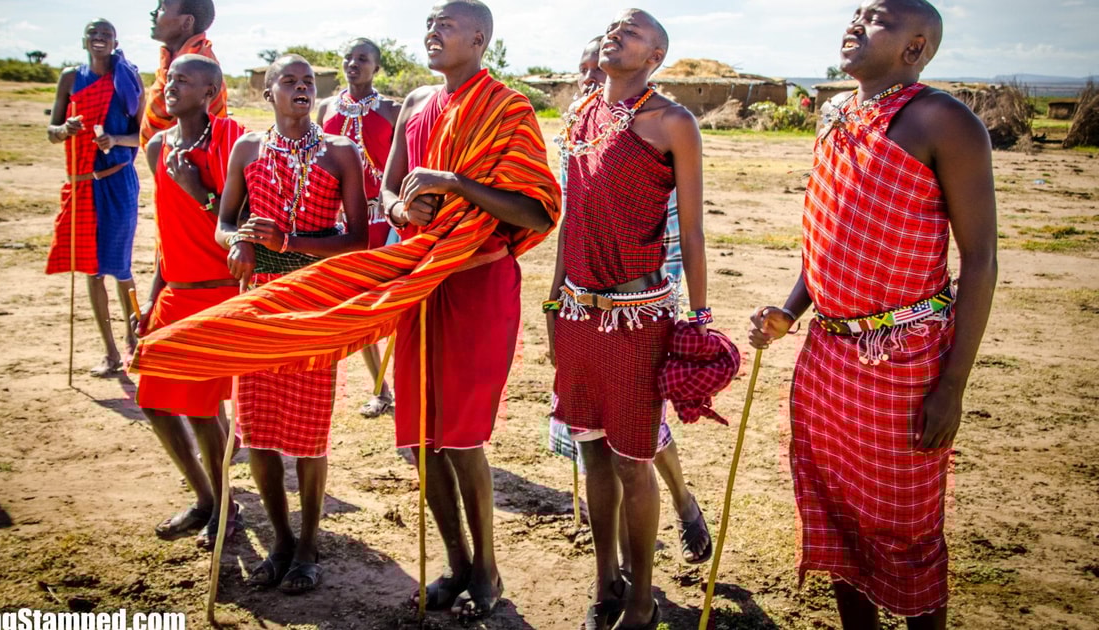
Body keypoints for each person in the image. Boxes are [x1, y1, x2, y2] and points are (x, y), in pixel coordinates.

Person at [747, 2, 997, 628]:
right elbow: (829, 240)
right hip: (827, 357)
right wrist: (791, 310)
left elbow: (981, 259)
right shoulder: (838, 115)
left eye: (877, 18)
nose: (855, 24)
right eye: (855, 13)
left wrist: (953, 385)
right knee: (834, 513)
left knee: (907, 528)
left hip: (906, 362)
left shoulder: (942, 120)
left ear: (914, 48)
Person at [380, 0, 558, 621]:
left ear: (479, 39)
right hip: (420, 283)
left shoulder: (508, 109)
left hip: (479, 283)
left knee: (461, 439)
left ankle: (486, 568)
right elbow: (388, 187)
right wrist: (402, 210)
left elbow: (536, 209)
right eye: (429, 23)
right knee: (421, 440)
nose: (432, 32)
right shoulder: (414, 105)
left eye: (446, 24)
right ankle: (455, 563)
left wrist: (455, 185)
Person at [548, 9, 710, 629]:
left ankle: (642, 600)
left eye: (633, 32)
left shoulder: (672, 122)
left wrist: (699, 317)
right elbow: (573, 218)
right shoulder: (582, 115)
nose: (617, 33)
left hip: (638, 318)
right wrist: (553, 302)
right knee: (591, 454)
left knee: (632, 461)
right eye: (614, 26)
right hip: (577, 312)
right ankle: (606, 583)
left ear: (654, 57)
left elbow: (691, 232)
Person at [215, 55, 369, 595]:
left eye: (308, 82)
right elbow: (224, 220)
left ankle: (308, 545)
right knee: (257, 428)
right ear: (268, 93)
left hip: (315, 301)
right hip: (259, 302)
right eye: (289, 81)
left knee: (308, 433)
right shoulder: (247, 149)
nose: (301, 87)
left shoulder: (341, 152)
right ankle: (280, 541)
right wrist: (238, 241)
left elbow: (358, 239)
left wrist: (290, 243)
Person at [136, 55, 245, 550]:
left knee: (203, 410)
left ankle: (225, 506)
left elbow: (241, 219)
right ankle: (206, 498)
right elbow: (166, 232)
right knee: (154, 402)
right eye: (169, 78)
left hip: (218, 293)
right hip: (174, 294)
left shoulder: (232, 142)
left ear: (209, 92)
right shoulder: (157, 147)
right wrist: (152, 296)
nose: (170, 86)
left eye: (183, 80)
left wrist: (198, 190)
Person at [45, 19, 144, 377]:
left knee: (120, 267)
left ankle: (136, 344)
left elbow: (142, 134)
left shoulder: (128, 79)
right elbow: (52, 131)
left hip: (118, 181)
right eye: (93, 34)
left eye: (106, 35)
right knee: (92, 269)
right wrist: (65, 129)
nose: (99, 39)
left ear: (115, 42)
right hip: (84, 182)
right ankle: (110, 352)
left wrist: (114, 140)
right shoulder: (71, 78)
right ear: (84, 40)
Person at [315, 38, 403, 418]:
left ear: (376, 68)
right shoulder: (325, 108)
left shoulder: (392, 110)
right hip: (339, 224)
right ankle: (381, 389)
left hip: (384, 221)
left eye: (362, 59)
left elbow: (405, 164)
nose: (353, 64)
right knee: (356, 306)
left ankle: (408, 383)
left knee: (392, 304)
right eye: (348, 58)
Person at [141, 0, 228, 148]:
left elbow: (199, 137)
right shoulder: (171, 65)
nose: (153, 13)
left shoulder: (199, 70)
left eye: (162, 8)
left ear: (187, 22)